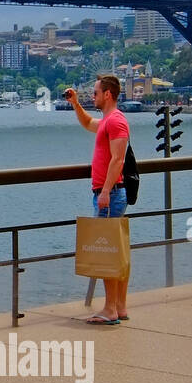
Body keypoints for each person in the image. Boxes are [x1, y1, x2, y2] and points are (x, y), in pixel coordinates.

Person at [66, 74, 131, 325]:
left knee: (107, 253)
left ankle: (110, 310)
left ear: (108, 94)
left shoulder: (116, 121)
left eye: (95, 93)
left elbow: (118, 159)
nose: (92, 96)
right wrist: (75, 103)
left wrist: (105, 191)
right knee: (116, 252)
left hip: (110, 194)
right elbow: (87, 123)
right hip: (110, 193)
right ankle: (120, 307)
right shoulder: (106, 121)